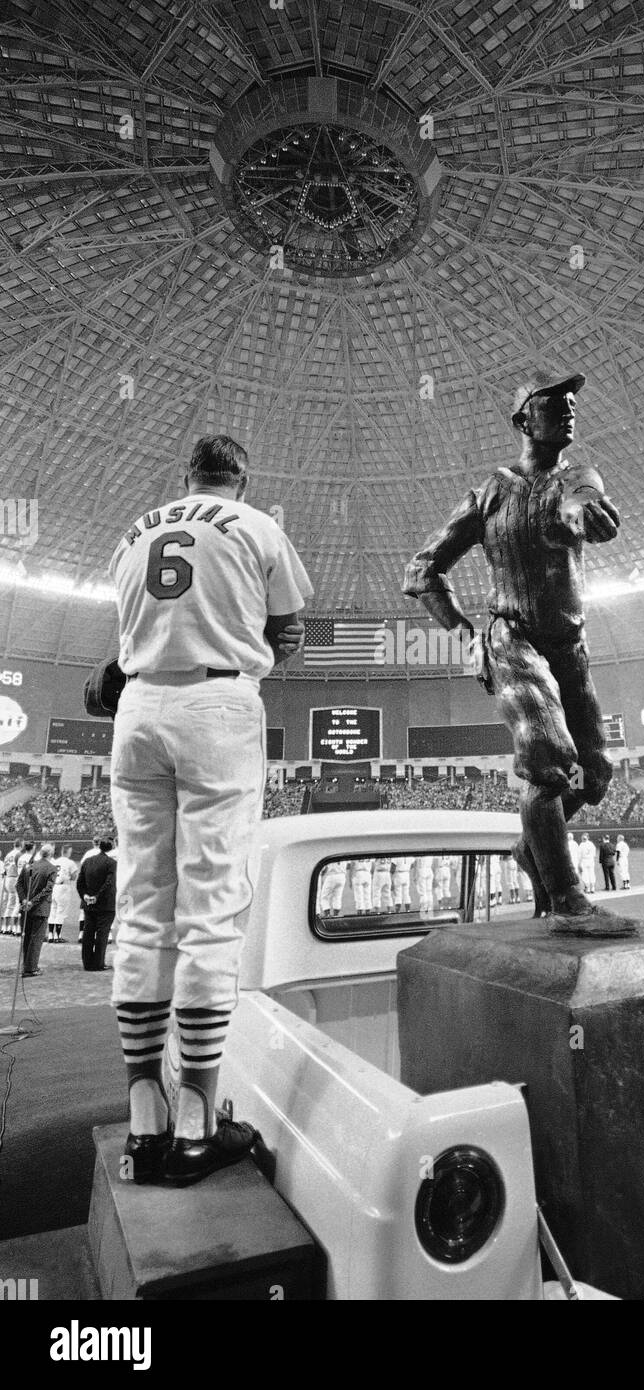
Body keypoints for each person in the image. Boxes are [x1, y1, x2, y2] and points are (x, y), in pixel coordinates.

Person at [103, 433, 311, 1186]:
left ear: (185, 477)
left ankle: (142, 1118)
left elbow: (130, 630)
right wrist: (245, 639)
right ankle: (196, 1118)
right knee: (211, 909)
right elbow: (287, 631)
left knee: (144, 905)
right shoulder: (257, 527)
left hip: (138, 707)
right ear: (242, 482)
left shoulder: (137, 528)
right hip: (217, 704)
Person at [404, 370, 644, 937]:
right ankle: (568, 897)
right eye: (553, 402)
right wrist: (468, 635)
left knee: (595, 773)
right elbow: (422, 570)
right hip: (511, 637)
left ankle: (529, 846)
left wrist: (586, 514)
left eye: (571, 402)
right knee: (550, 760)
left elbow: (582, 502)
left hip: (569, 642)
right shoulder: (489, 492)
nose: (568, 408)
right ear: (523, 419)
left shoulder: (577, 476)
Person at [17, 843, 58, 978]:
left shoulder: (29, 866)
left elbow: (19, 885)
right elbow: (47, 890)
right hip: (39, 909)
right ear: (51, 854)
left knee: (27, 937)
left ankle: (27, 965)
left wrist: (24, 901)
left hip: (26, 908)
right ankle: (31, 968)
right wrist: (32, 902)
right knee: (36, 938)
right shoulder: (51, 868)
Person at [77, 835, 117, 971]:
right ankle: (98, 963)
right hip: (105, 904)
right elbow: (109, 883)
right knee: (102, 934)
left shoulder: (88, 861)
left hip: (89, 903)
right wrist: (97, 896)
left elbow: (79, 882)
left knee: (88, 932)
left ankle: (87, 963)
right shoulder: (111, 863)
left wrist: (85, 896)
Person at [48, 843, 77, 943]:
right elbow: (74, 877)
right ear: (68, 852)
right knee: (61, 911)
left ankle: (50, 935)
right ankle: (57, 936)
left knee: (53, 910)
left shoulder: (55, 861)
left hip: (54, 886)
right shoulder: (70, 862)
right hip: (64, 887)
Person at [0, 840, 23, 934]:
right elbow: (19, 868)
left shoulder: (8, 854)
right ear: (21, 845)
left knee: (8, 903)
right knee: (17, 903)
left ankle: (5, 927)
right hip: (14, 878)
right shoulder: (19, 854)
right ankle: (13, 928)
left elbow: (5, 867)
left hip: (7, 878)